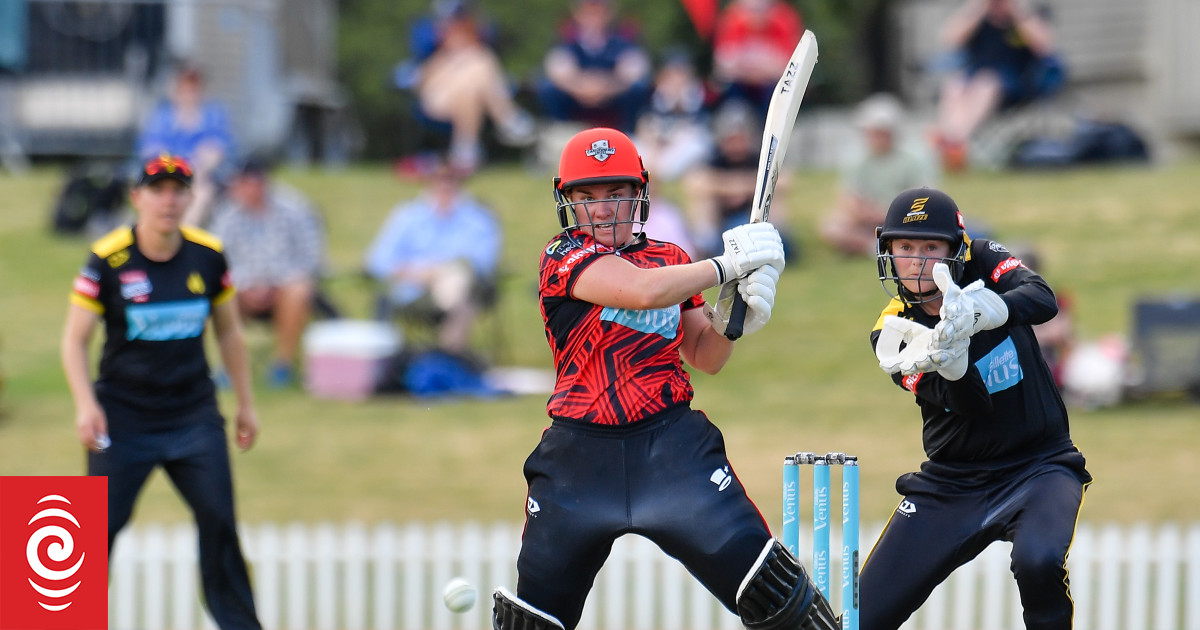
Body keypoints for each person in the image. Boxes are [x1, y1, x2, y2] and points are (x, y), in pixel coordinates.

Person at [490, 127, 839, 630]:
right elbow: (641, 292)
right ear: (567, 201)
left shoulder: (672, 259)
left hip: (672, 450)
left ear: (639, 194)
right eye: (586, 197)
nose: (602, 208)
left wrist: (737, 315)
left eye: (615, 193)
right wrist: (727, 265)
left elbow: (705, 354)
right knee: (535, 623)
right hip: (578, 461)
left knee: (777, 598)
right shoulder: (561, 256)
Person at [865, 187, 1091, 630]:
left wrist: (988, 311)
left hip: (1040, 465)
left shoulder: (984, 260)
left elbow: (1042, 300)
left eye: (931, 247)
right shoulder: (893, 331)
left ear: (956, 247)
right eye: (905, 248)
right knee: (862, 617)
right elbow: (971, 404)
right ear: (888, 251)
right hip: (952, 483)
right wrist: (953, 363)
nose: (918, 261)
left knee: (1039, 562)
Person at [61, 155, 262, 630]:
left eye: (178, 191)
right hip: (122, 417)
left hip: (193, 414)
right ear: (137, 198)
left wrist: (246, 405)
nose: (168, 201)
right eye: (158, 190)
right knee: (93, 527)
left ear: (191, 198)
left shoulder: (209, 255)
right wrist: (86, 405)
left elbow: (230, 333)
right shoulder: (108, 257)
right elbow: (74, 340)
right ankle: (52, 619)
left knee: (219, 519)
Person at [209, 157, 327, 388]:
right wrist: (248, 284)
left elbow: (312, 259)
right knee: (222, 295)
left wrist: (273, 283)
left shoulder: (295, 210)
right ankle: (229, 366)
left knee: (298, 290)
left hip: (284, 287)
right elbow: (217, 260)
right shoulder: (227, 216)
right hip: (243, 290)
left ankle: (282, 365)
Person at [364, 160, 501, 354]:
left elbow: (485, 264)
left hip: (466, 290)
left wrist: (440, 272)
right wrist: (418, 274)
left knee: (463, 283)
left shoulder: (478, 218)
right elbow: (377, 261)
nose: (445, 184)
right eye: (439, 179)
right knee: (461, 296)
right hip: (414, 294)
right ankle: (448, 359)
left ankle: (447, 357)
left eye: (450, 179)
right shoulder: (407, 216)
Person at [396, 0, 536, 173]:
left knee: (471, 84)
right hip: (436, 99)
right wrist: (450, 59)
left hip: (469, 96)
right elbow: (415, 78)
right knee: (480, 61)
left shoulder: (478, 40)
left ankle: (465, 150)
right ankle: (507, 118)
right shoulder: (427, 39)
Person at [933, 0, 1065, 171]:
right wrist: (977, 9)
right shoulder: (980, 18)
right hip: (974, 78)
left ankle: (954, 140)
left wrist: (1016, 12)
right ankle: (954, 140)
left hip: (1013, 83)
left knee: (987, 83)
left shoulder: (1025, 17)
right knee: (955, 86)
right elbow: (950, 40)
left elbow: (1045, 48)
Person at [819, 93, 939, 257]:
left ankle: (890, 245)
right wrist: (864, 213)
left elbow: (923, 198)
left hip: (902, 219)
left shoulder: (913, 159)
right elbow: (848, 197)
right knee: (833, 226)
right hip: (867, 219)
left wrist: (888, 214)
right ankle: (874, 246)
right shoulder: (857, 160)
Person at [683, 100, 795, 259]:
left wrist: (743, 186)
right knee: (702, 201)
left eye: (740, 138)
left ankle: (778, 240)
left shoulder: (760, 157)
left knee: (775, 197)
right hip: (722, 215)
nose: (736, 144)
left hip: (753, 213)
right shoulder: (713, 158)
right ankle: (706, 246)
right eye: (731, 139)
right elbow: (694, 183)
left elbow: (785, 180)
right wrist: (730, 187)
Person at [136, 62, 236, 226]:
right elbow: (151, 150)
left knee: (201, 192)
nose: (189, 93)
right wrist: (176, 171)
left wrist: (195, 170)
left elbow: (216, 149)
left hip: (202, 176)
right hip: (165, 174)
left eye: (194, 87)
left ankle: (183, 234)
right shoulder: (161, 116)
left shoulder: (214, 114)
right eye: (185, 87)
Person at [536, 0, 652, 133]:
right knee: (548, 88)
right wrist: (583, 87)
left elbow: (633, 70)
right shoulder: (566, 40)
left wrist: (604, 87)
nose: (594, 16)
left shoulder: (623, 39)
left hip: (614, 97)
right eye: (588, 11)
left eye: (599, 11)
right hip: (576, 97)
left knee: (638, 88)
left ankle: (629, 134)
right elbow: (558, 70)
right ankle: (561, 133)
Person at [710, 0, 805, 117]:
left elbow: (790, 68)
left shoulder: (784, 20)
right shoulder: (731, 19)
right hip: (740, 87)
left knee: (779, 97)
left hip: (771, 86)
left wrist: (749, 67)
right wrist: (762, 68)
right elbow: (723, 68)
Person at [632, 51, 714, 182]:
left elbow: (699, 124)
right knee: (636, 145)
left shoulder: (699, 94)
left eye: (681, 73)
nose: (677, 78)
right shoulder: (653, 94)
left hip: (683, 140)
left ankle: (662, 175)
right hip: (657, 140)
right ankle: (651, 173)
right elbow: (644, 122)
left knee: (698, 144)